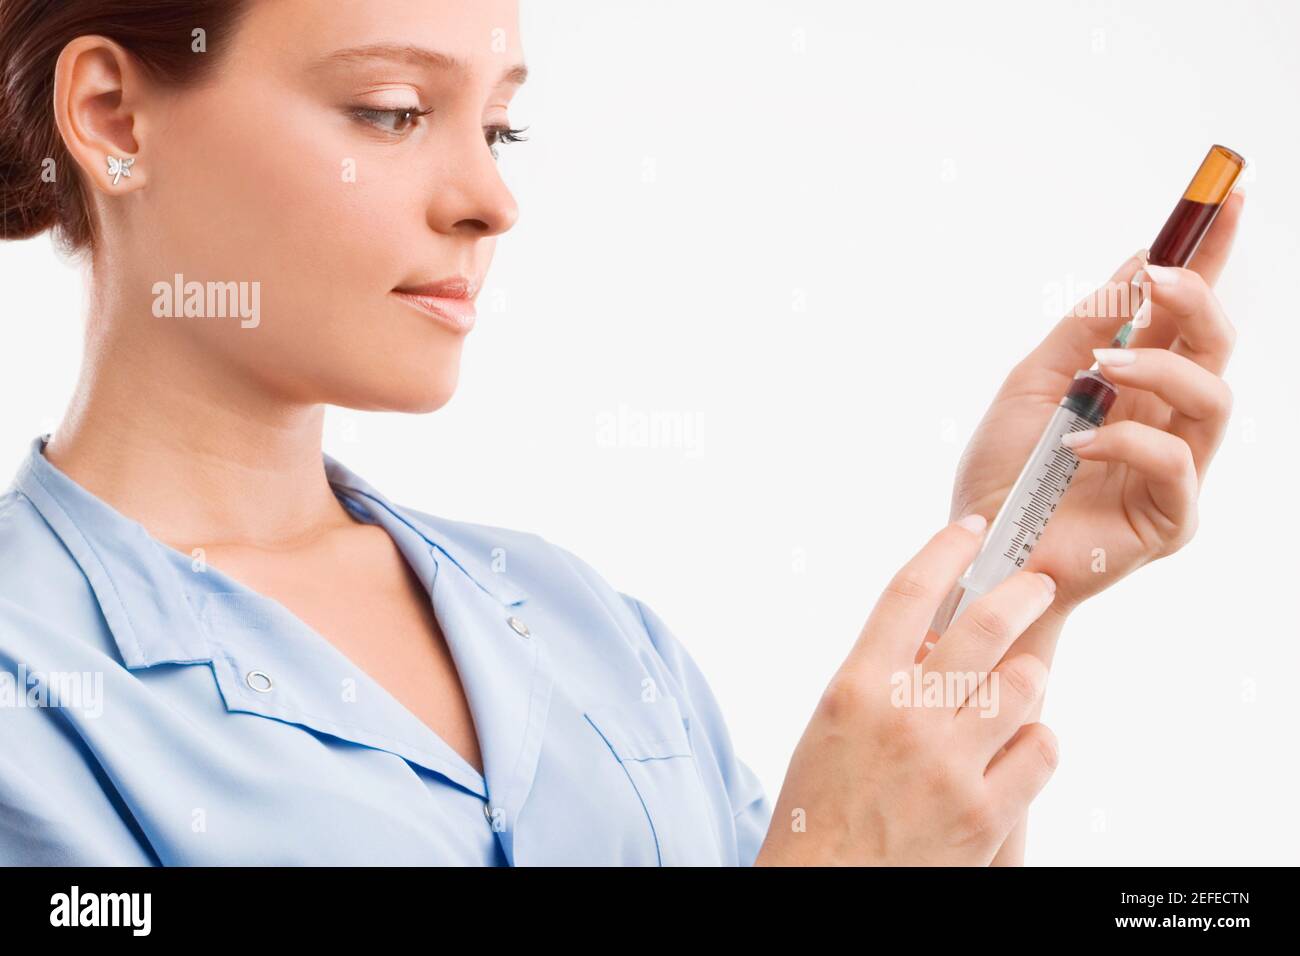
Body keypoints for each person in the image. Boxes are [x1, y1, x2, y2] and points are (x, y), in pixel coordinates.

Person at [0, 0, 1242, 865]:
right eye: (389, 111)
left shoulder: (579, 620)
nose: (490, 199)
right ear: (112, 116)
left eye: (500, 127)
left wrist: (1008, 557)